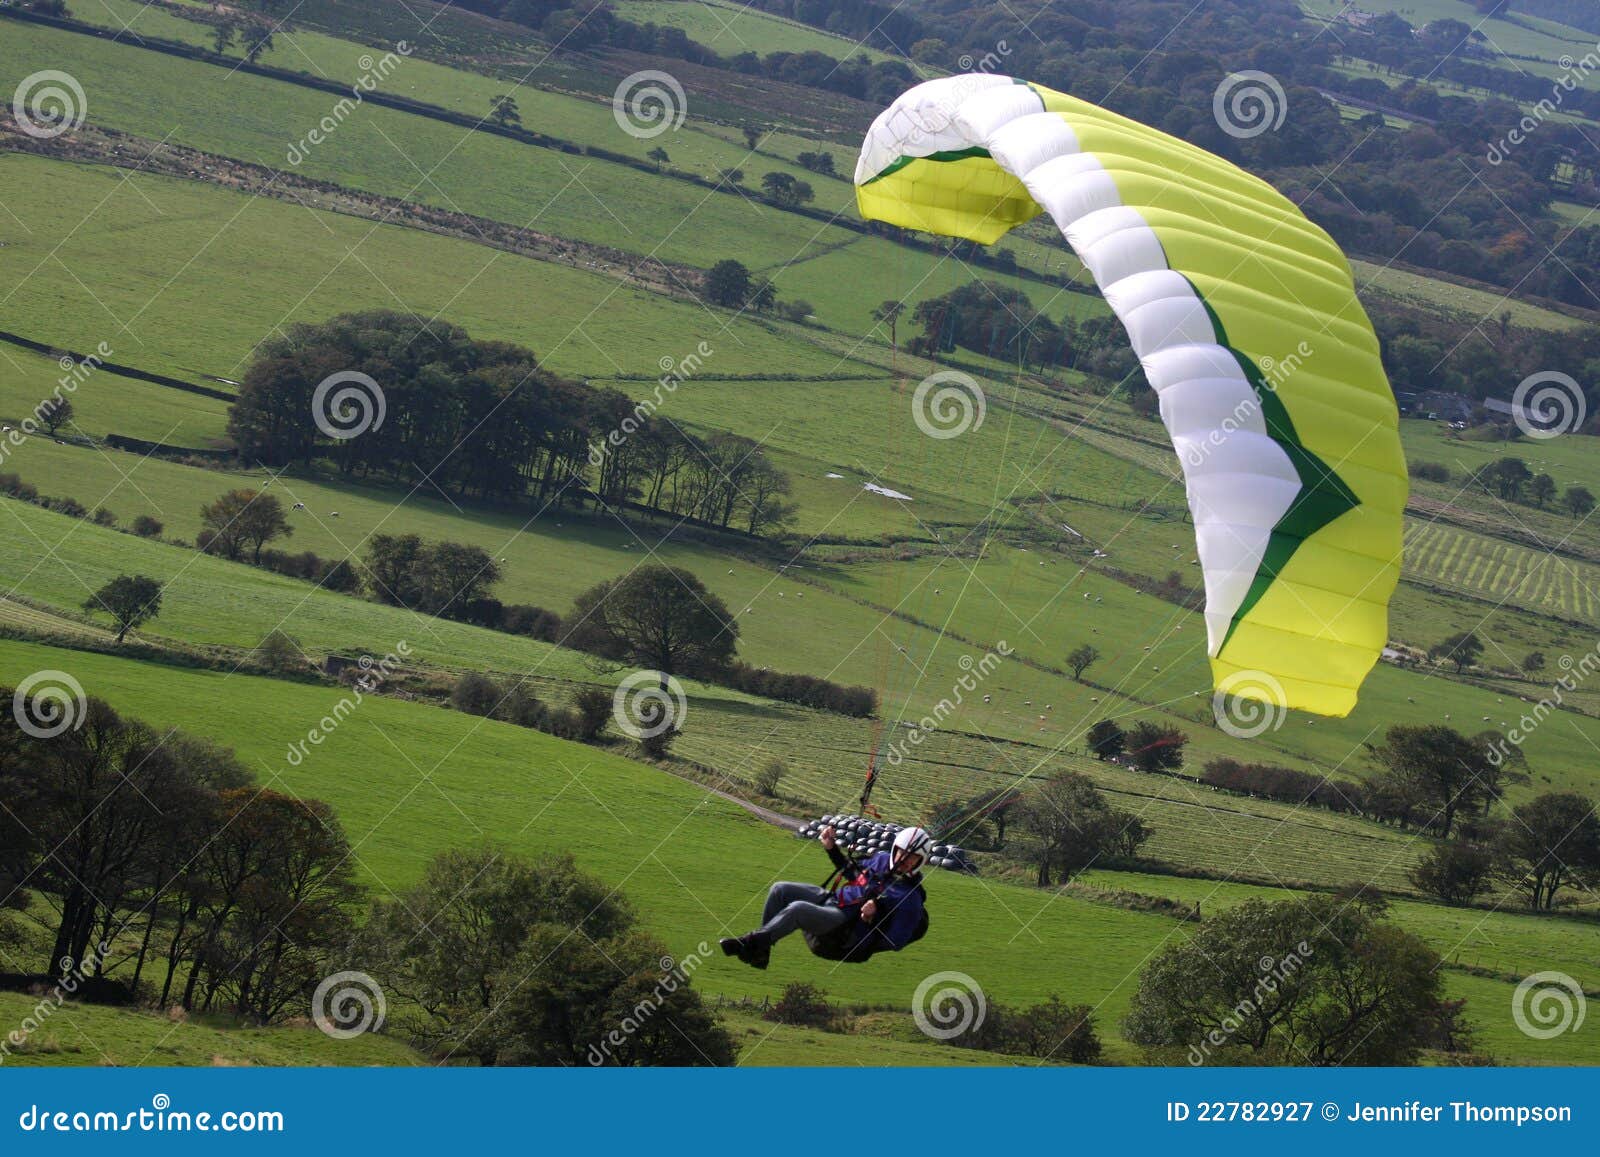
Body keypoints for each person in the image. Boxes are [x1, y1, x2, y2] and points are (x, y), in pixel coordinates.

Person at [720, 825, 931, 969]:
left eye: (911, 858)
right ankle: (760, 954)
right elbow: (853, 873)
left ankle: (750, 943)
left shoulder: (909, 899)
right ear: (895, 848)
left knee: (798, 909)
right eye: (901, 852)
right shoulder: (882, 860)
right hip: (833, 901)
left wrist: (870, 920)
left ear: (919, 861)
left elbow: (894, 941)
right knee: (780, 889)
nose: (904, 860)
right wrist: (832, 849)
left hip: (844, 929)